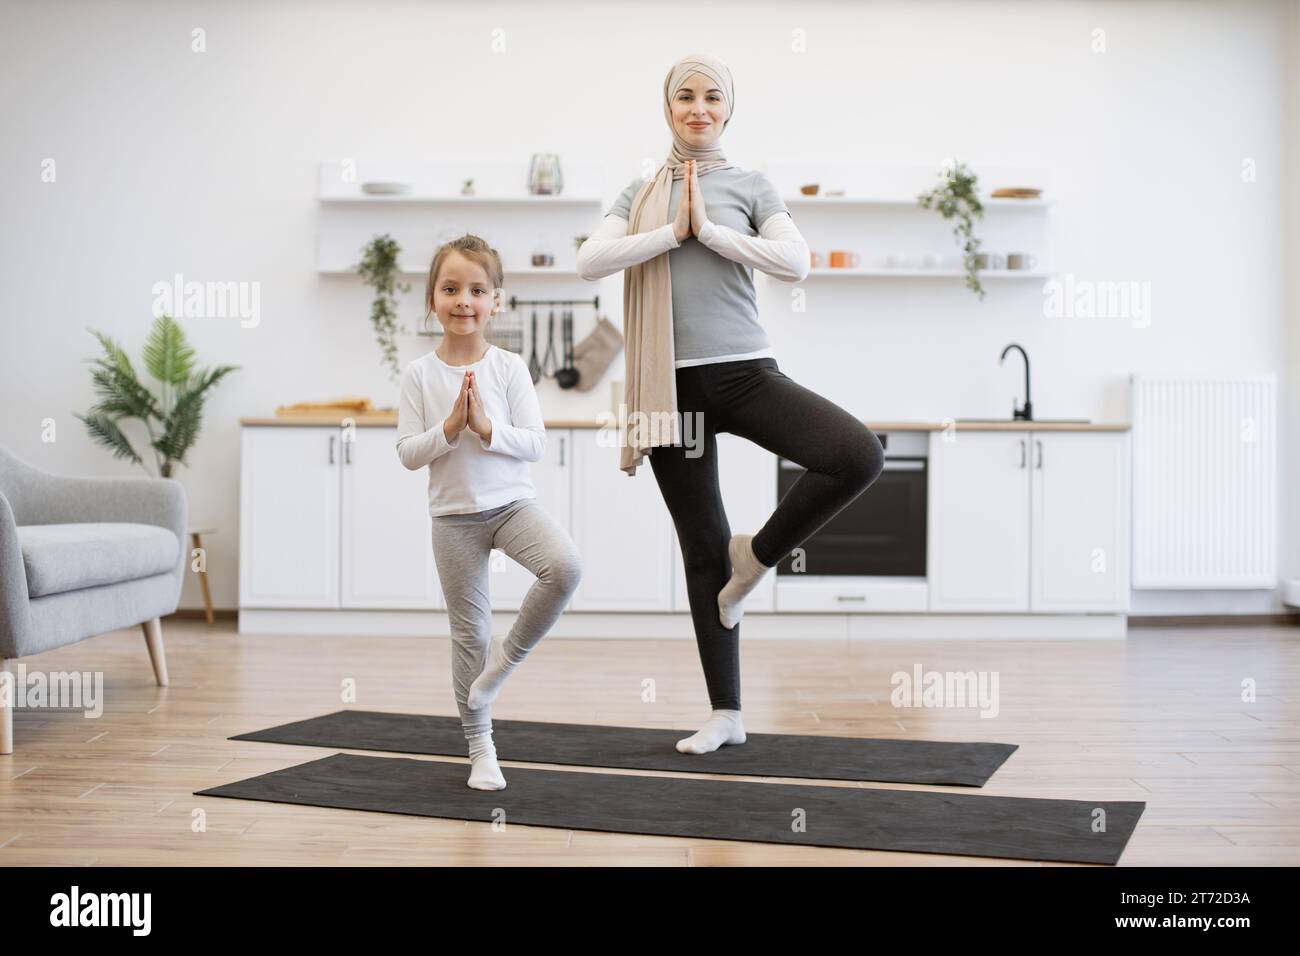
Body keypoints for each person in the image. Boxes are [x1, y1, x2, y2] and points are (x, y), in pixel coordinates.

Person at [577, 53, 884, 755]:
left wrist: (709, 231)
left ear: (728, 109)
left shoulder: (751, 185)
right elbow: (592, 259)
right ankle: (726, 713)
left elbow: (795, 261)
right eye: (685, 95)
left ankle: (760, 556)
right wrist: (671, 231)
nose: (698, 107)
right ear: (667, 108)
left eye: (712, 96)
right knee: (701, 552)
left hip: (744, 375)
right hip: (670, 389)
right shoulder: (638, 190)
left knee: (856, 454)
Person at [396, 235, 582, 790]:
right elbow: (408, 454)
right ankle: (480, 746)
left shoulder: (508, 368)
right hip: (453, 520)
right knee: (469, 634)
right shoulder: (419, 376)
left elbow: (534, 443)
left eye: (477, 290)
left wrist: (486, 428)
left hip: (511, 507)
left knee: (565, 567)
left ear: (496, 301)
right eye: (450, 289)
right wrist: (449, 430)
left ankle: (500, 670)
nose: (463, 301)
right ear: (432, 298)